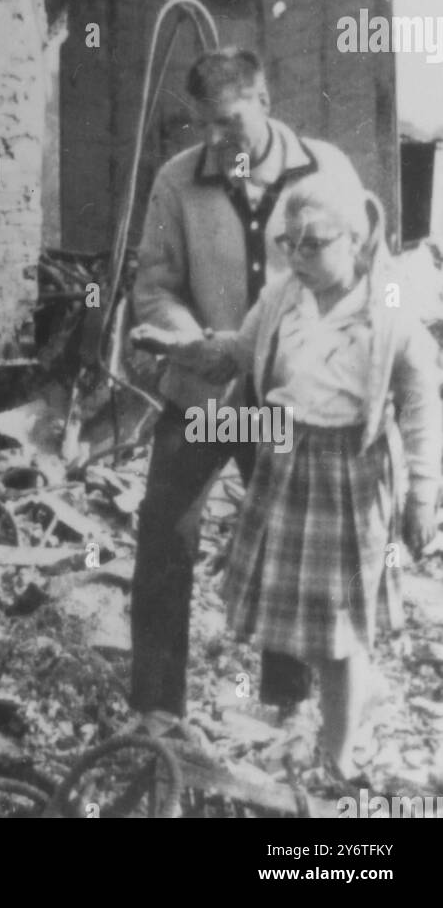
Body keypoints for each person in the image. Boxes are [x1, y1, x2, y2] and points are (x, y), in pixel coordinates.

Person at [157, 172, 440, 778]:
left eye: (314, 243)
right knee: (307, 630)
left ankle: (336, 759)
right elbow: (238, 352)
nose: (297, 256)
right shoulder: (285, 295)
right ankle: (349, 700)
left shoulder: (388, 306)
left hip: (349, 477)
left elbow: (421, 402)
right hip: (286, 465)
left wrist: (424, 493)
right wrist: (189, 347)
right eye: (289, 243)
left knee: (337, 636)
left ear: (358, 239)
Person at [129, 47, 361, 720]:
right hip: (204, 398)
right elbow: (154, 288)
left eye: (226, 122)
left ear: (263, 103)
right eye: (201, 124)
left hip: (291, 400)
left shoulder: (324, 172)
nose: (213, 140)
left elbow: (354, 280)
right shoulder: (177, 182)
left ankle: (285, 704)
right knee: (164, 541)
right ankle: (154, 711)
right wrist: (189, 342)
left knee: (291, 544)